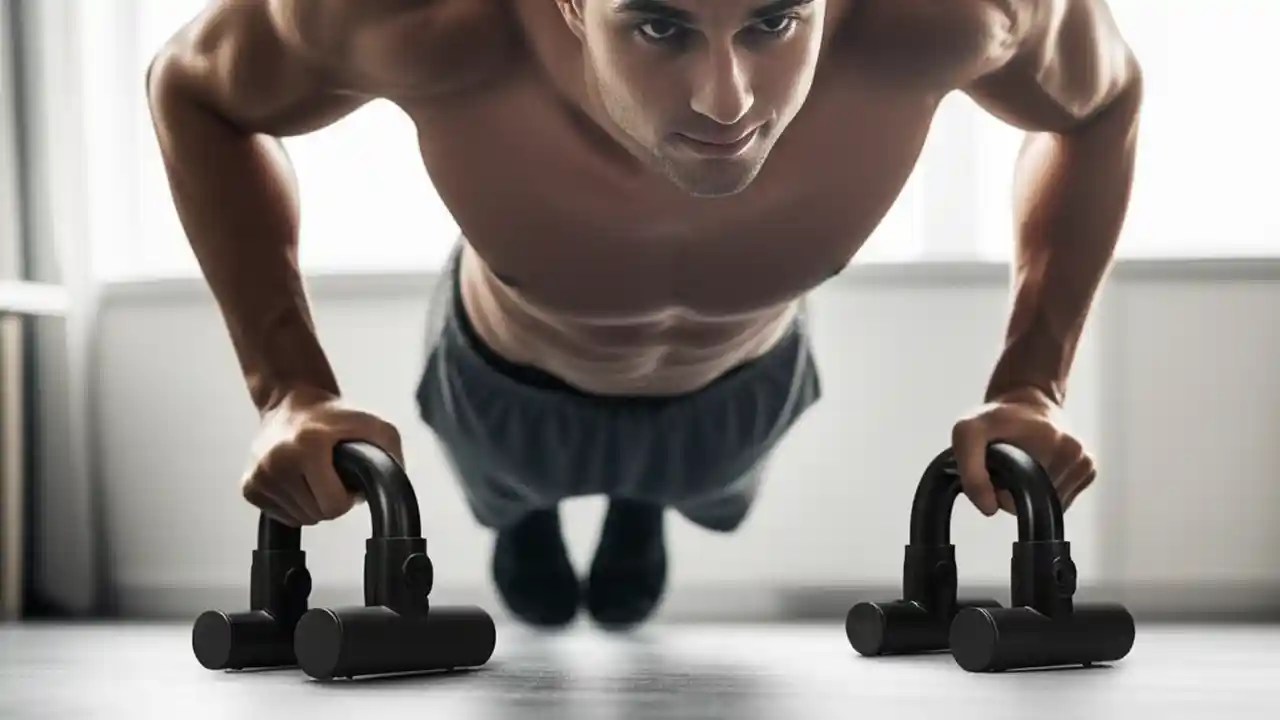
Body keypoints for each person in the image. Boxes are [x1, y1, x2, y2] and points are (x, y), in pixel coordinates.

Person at [146, 0, 1142, 630]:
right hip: (505, 379)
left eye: (773, 22)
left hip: (741, 388)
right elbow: (192, 90)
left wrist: (1033, 386)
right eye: (661, 27)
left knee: (693, 491)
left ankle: (640, 507)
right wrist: (288, 391)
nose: (726, 101)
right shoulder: (424, 22)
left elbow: (1103, 103)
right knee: (512, 504)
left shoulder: (950, 17)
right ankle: (530, 517)